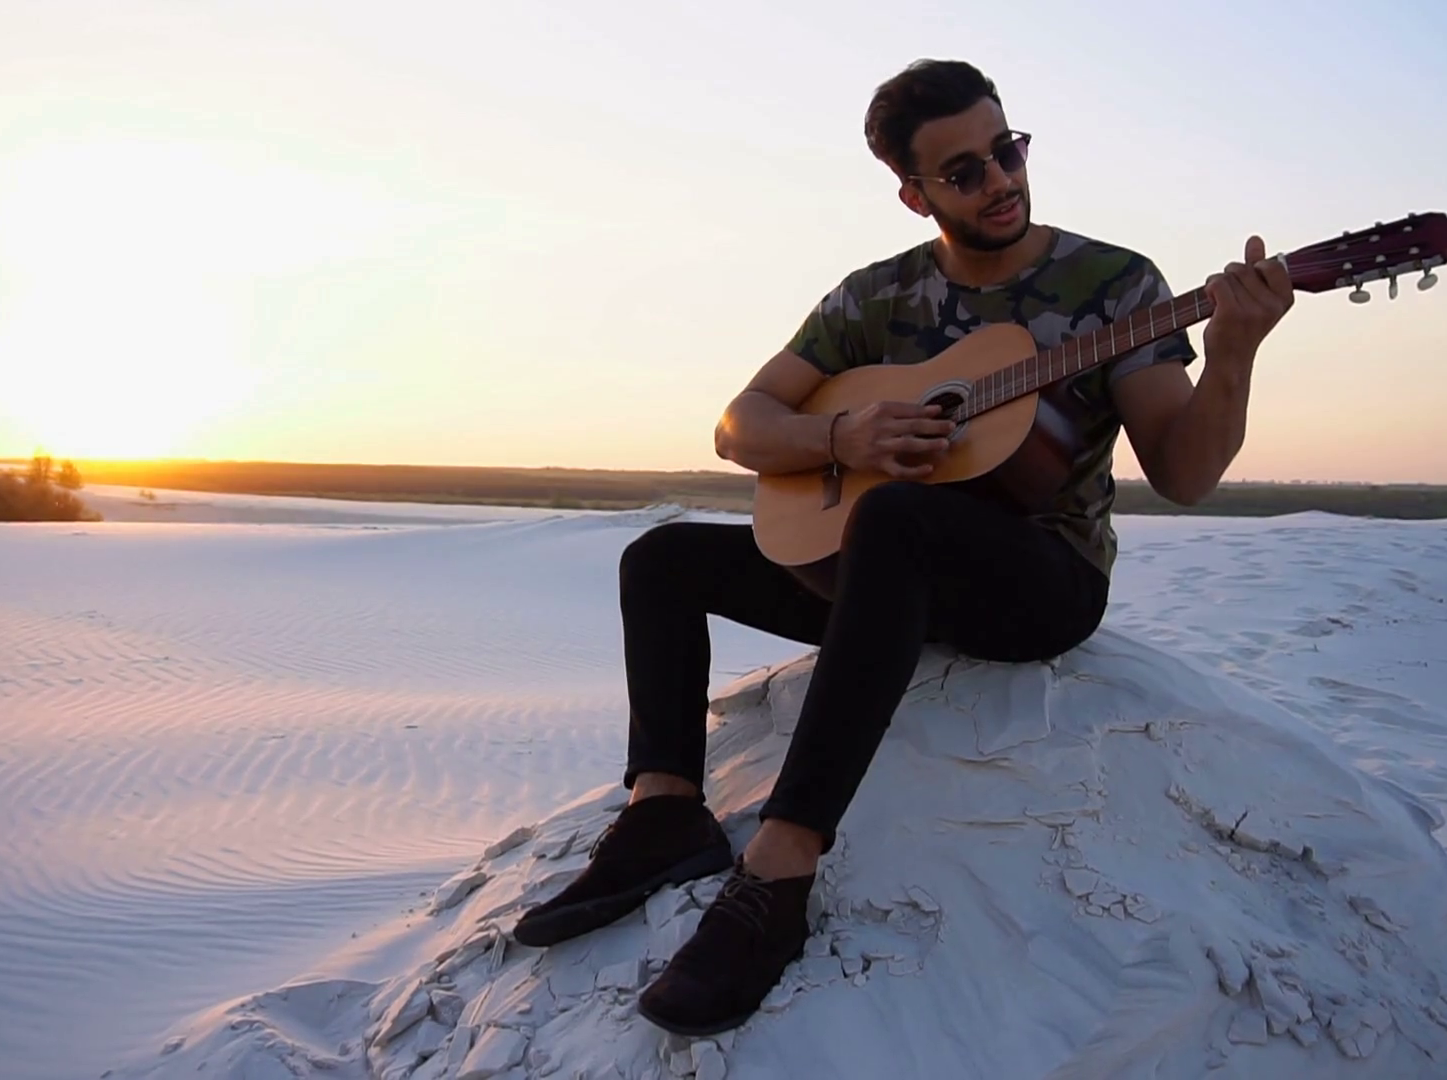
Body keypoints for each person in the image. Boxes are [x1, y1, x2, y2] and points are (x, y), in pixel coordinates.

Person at [510, 57, 1293, 1036]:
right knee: (662, 558)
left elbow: (1183, 473)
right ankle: (664, 811)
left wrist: (1234, 356)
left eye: (1007, 149)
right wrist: (840, 437)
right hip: (890, 575)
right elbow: (739, 423)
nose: (1000, 180)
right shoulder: (874, 298)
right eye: (964, 171)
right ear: (915, 193)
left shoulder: (1115, 285)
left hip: (1041, 583)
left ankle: (780, 869)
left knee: (893, 520)